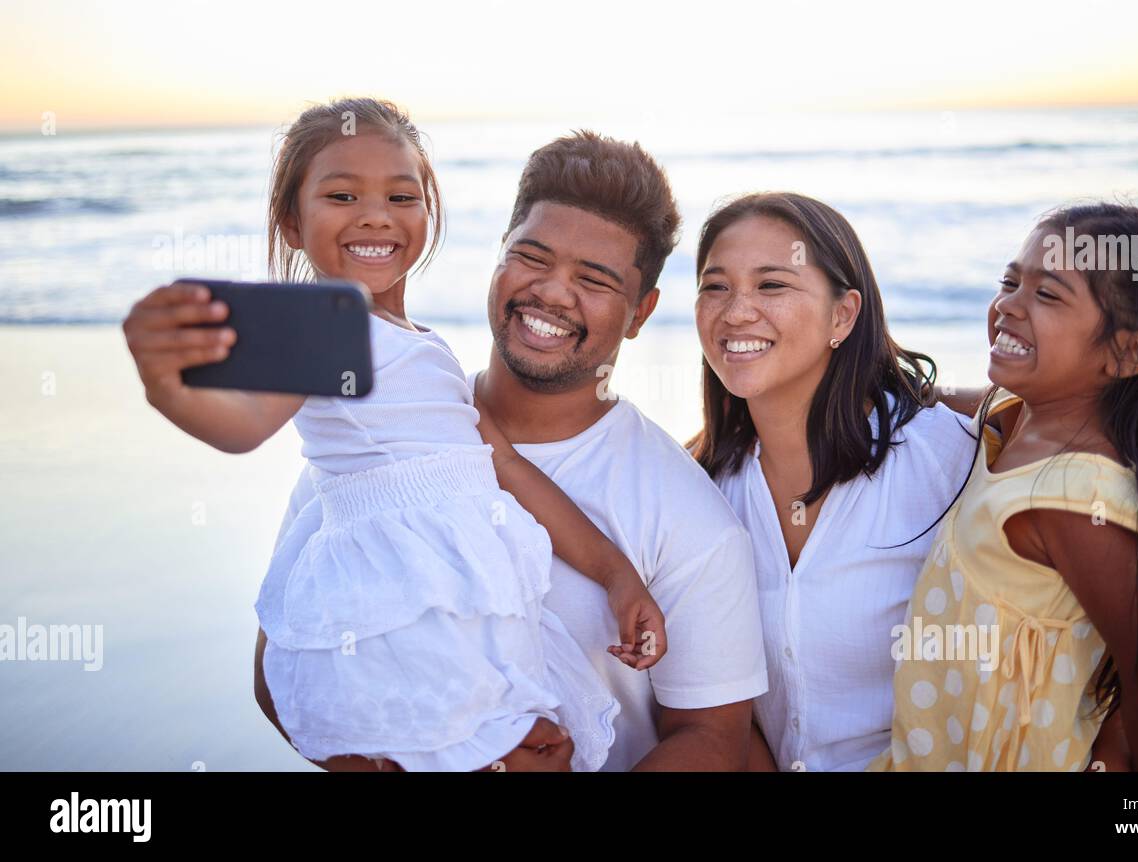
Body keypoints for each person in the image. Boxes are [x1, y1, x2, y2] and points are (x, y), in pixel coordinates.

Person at [122, 99, 672, 772]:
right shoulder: (324, 330)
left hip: (465, 616)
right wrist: (166, 388)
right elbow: (244, 426)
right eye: (342, 194)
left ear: (427, 214)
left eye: (401, 194)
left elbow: (509, 472)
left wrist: (618, 576)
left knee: (541, 750)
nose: (375, 214)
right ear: (292, 223)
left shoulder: (433, 351)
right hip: (397, 611)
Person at [262, 130, 769, 770]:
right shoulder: (379, 437)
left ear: (641, 313)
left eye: (594, 279)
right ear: (499, 257)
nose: (553, 293)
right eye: (531, 257)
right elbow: (279, 663)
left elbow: (711, 740)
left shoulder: (688, 517)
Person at [870, 202, 1138, 770]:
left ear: (1129, 352)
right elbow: (922, 395)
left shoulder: (1076, 500)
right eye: (1010, 281)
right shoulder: (1014, 413)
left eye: (1047, 295)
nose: (1008, 305)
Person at [689, 192, 978, 771]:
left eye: (772, 285)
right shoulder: (699, 485)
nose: (736, 311)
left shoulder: (949, 461)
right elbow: (714, 707)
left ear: (843, 315)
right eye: (716, 286)